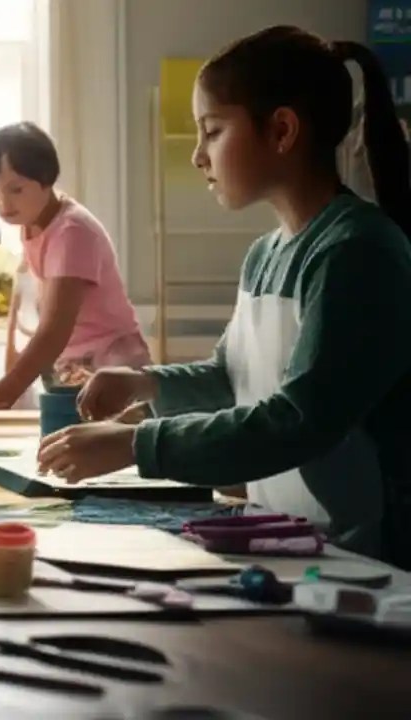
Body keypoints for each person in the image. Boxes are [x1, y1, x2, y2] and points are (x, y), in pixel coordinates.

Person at [38, 26, 411, 568]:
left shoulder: (357, 252)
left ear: (281, 130)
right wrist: (144, 382)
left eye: (212, 131)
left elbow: (296, 420)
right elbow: (228, 378)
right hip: (298, 545)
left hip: (371, 562)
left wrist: (136, 443)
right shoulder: (265, 254)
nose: (197, 156)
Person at [0, 123, 147, 410]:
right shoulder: (34, 223)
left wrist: (2, 394)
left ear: (46, 180)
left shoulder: (71, 232)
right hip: (77, 372)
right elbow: (27, 315)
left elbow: (52, 333)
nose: (3, 203)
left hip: (113, 369)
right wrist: (2, 385)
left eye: (16, 189)